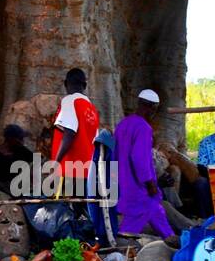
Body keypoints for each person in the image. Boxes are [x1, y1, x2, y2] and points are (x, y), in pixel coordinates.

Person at [113, 89, 173, 239]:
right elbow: (140, 159)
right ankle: (119, 248)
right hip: (138, 186)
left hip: (123, 181)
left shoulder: (123, 124)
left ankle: (173, 240)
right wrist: (150, 183)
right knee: (131, 225)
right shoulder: (144, 128)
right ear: (152, 108)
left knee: (157, 212)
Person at [51, 68, 99, 192]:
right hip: (87, 171)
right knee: (80, 208)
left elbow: (69, 134)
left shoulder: (69, 101)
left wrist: (55, 164)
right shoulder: (92, 109)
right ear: (85, 85)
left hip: (69, 171)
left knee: (61, 208)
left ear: (66, 84)